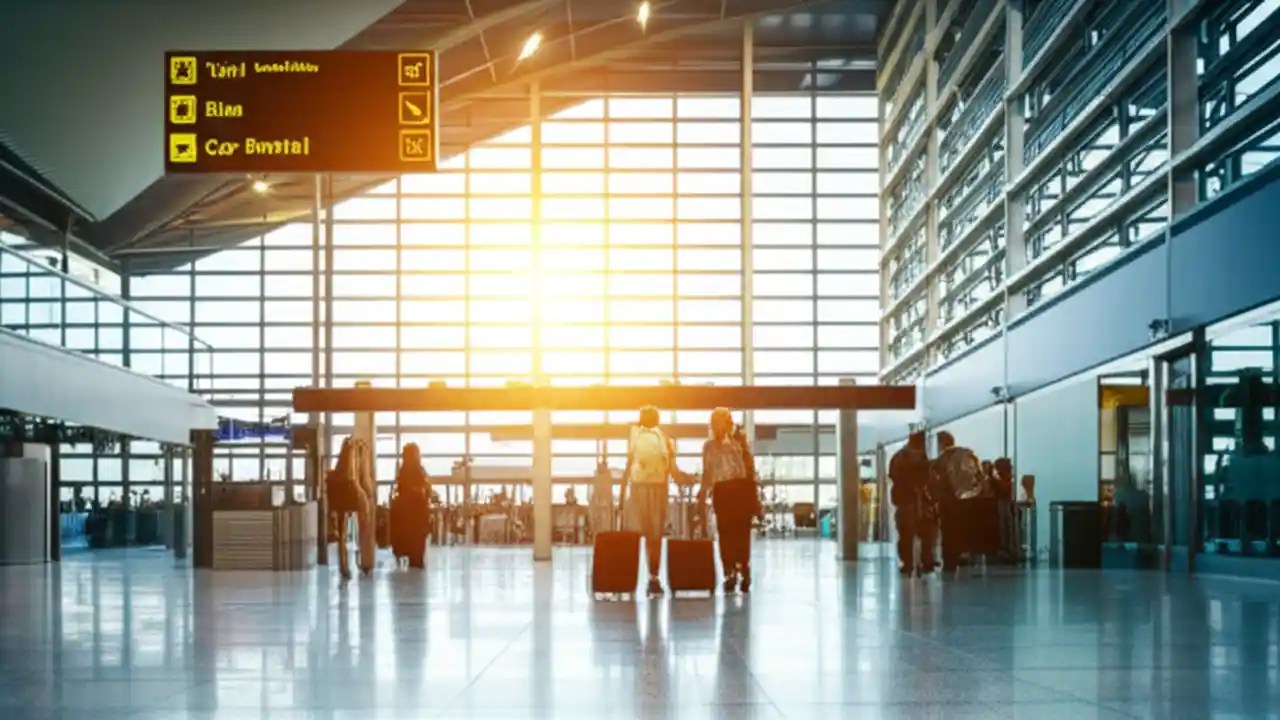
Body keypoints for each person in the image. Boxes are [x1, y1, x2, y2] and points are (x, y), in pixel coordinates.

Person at [621, 405, 679, 597]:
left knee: (647, 535)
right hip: (656, 487)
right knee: (654, 535)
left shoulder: (638, 437)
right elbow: (671, 467)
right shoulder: (662, 438)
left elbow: (629, 464)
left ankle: (648, 577)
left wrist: (623, 491)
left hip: (643, 487)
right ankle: (652, 577)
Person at [701, 408, 759, 593]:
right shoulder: (709, 446)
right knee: (725, 534)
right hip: (722, 492)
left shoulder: (739, 441)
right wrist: (703, 492)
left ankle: (743, 569)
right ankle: (729, 572)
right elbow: (707, 471)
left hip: (740, 489)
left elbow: (749, 469)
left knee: (741, 534)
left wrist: (754, 499)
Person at [930, 431, 983, 571]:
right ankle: (965, 555)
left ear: (940, 443)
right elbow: (979, 476)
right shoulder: (967, 454)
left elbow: (935, 481)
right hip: (968, 501)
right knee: (965, 528)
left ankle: (950, 559)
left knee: (949, 531)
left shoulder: (942, 459)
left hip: (949, 502)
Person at [889, 431, 935, 575]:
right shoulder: (921, 458)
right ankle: (926, 561)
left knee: (906, 534)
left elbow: (893, 476)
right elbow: (927, 479)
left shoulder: (898, 457)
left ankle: (908, 563)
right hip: (918, 501)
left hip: (905, 501)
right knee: (926, 533)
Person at [391, 443, 431, 568]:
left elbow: (400, 488)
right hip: (418, 510)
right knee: (417, 540)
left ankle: (404, 554)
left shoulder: (403, 471)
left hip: (405, 511)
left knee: (407, 536)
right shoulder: (420, 470)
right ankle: (416, 559)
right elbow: (425, 489)